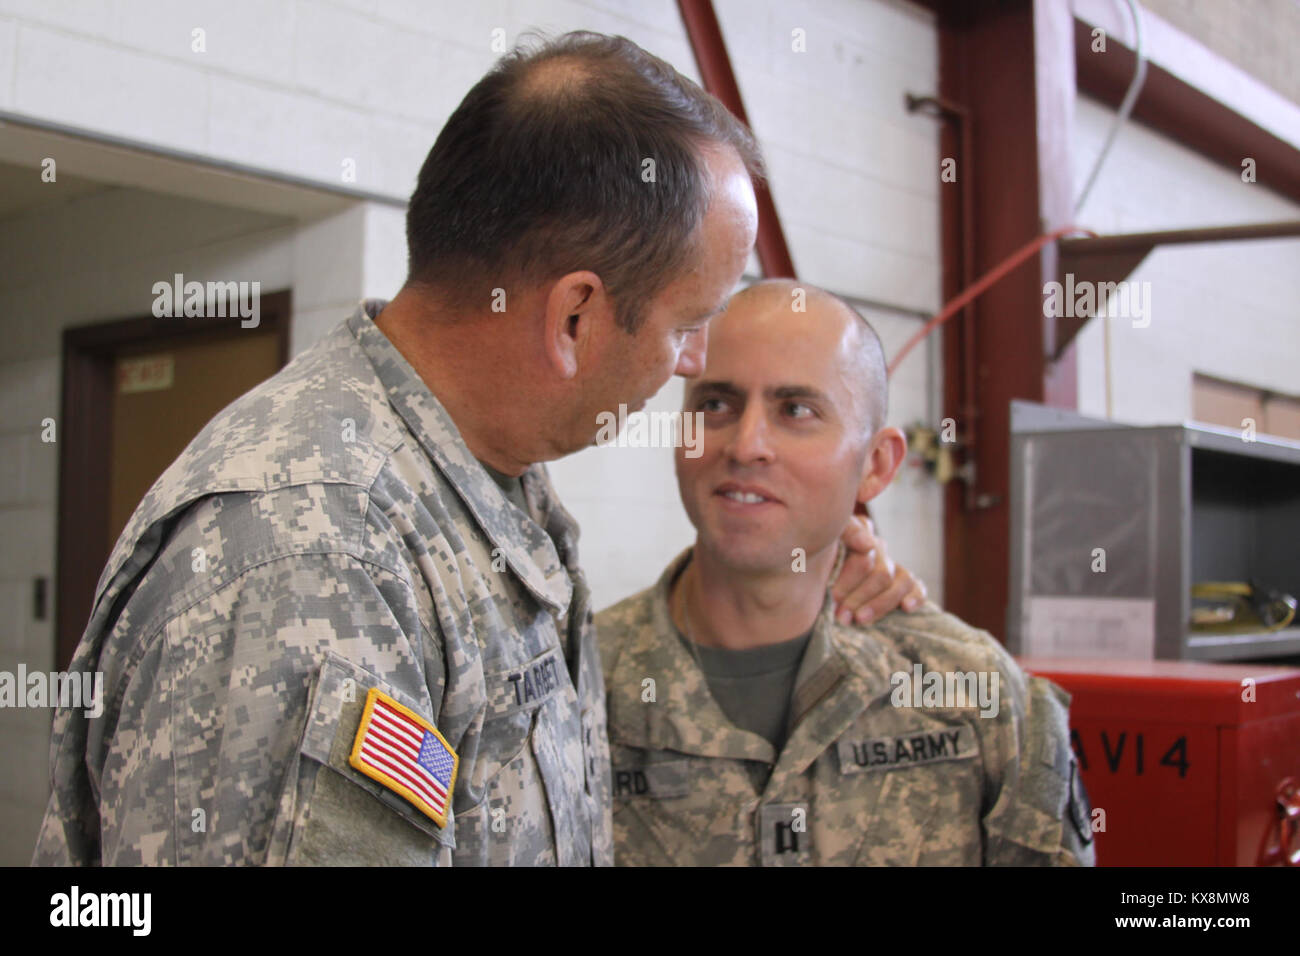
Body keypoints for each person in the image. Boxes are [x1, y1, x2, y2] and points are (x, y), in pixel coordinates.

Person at [33, 33, 918, 867]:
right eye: (689, 324)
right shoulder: (314, 560)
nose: (693, 359)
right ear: (574, 316)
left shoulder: (483, 483)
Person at [597, 279, 1096, 866]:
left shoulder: (977, 696)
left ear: (876, 465)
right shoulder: (578, 686)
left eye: (797, 411)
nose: (747, 444)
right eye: (715, 405)